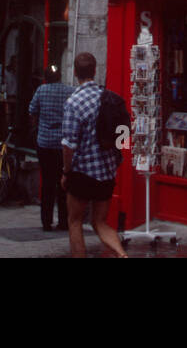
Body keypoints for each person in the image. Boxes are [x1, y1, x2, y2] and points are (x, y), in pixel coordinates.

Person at [61, 52, 126, 258]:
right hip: (106, 173)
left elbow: (69, 144)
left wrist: (66, 172)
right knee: (100, 222)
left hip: (82, 173)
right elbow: (122, 139)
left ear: (75, 72)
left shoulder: (74, 103)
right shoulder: (108, 98)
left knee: (75, 221)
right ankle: (122, 254)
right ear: (95, 70)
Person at [28, 65, 74, 233]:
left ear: (46, 77)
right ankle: (63, 221)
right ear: (60, 76)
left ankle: (46, 222)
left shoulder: (41, 90)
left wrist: (38, 126)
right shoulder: (69, 91)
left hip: (45, 143)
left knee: (47, 182)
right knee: (63, 182)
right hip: (62, 144)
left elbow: (32, 111)